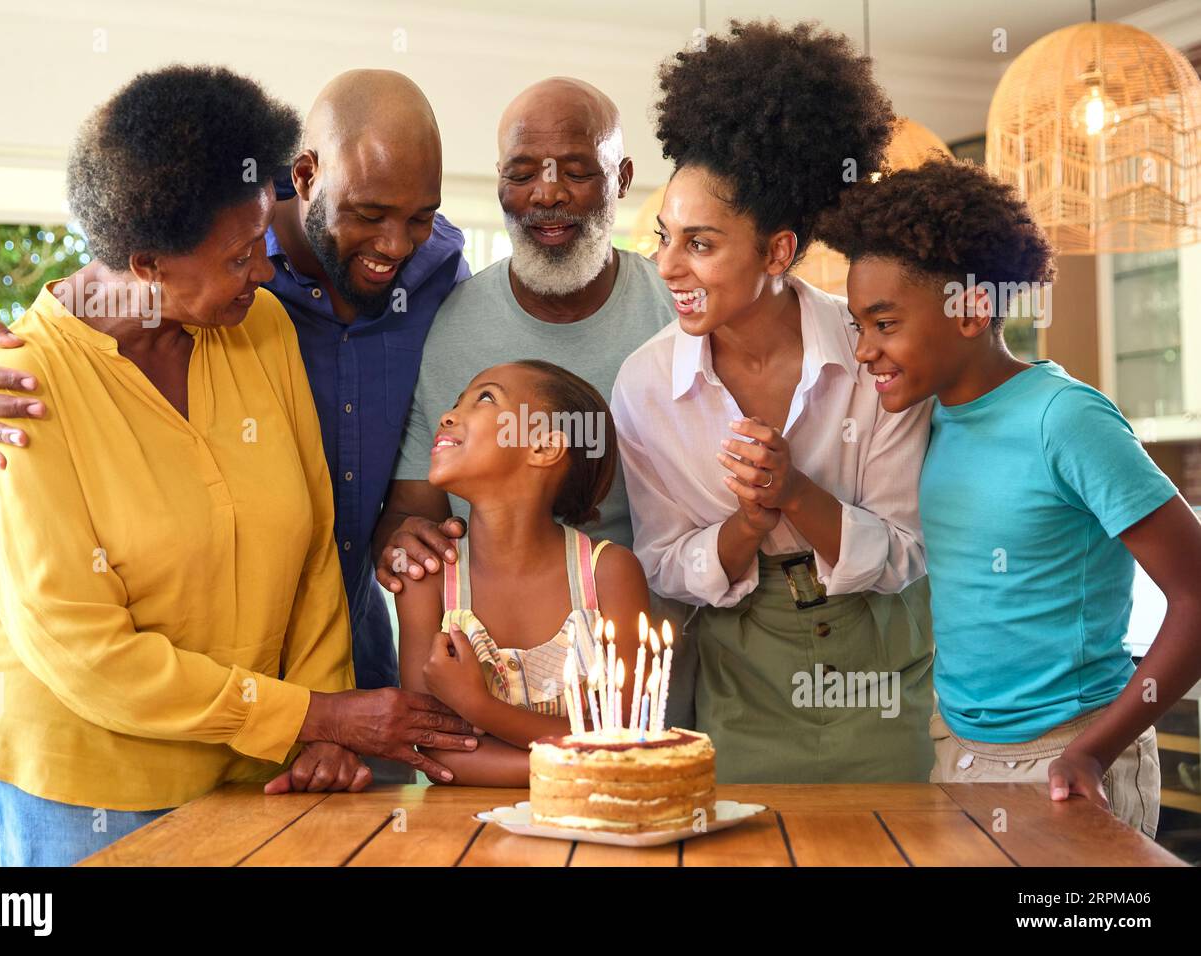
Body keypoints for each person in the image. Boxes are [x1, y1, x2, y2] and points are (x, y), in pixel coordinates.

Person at [0, 66, 476, 866]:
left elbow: (314, 544)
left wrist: (318, 723)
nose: (264, 271)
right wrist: (313, 718)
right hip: (75, 775)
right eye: (238, 257)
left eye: (262, 241)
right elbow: (89, 655)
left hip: (247, 764)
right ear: (147, 263)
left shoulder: (256, 326)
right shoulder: (20, 384)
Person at [816, 156, 1201, 835]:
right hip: (957, 749)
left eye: (884, 323)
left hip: (1070, 756)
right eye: (858, 327)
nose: (864, 352)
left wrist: (1093, 751)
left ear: (972, 310)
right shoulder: (920, 420)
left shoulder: (1066, 419)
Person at [610, 20, 934, 784]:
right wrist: (748, 524)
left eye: (701, 243)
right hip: (739, 662)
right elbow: (664, 563)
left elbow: (906, 553)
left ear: (778, 252)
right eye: (663, 237)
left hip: (879, 655)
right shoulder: (646, 386)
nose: (667, 266)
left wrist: (793, 492)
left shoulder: (869, 357)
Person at [373, 76, 696, 723]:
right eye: (522, 173)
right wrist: (403, 545)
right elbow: (415, 508)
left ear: (623, 178)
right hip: (489, 644)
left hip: (643, 658)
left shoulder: (677, 312)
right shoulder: (451, 323)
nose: (546, 193)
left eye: (576, 171)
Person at [395, 361, 649, 785]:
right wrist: (581, 763)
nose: (448, 415)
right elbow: (437, 753)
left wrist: (479, 707)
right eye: (457, 400)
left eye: (486, 398)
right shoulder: (427, 578)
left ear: (544, 448)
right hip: (465, 841)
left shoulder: (610, 574)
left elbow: (622, 739)